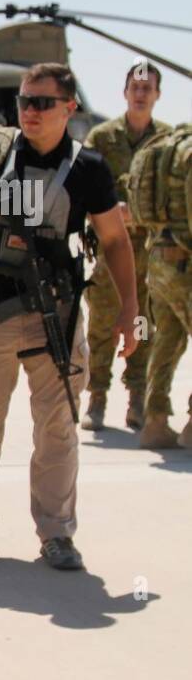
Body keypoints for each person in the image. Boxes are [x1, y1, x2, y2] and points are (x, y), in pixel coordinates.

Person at [0, 62, 139, 572]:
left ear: (70, 108)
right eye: (25, 101)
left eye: (43, 102)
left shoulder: (87, 169)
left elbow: (113, 238)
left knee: (58, 428)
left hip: (56, 316)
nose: (30, 111)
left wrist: (130, 309)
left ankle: (56, 534)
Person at [81, 62, 170, 432]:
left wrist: (145, 212)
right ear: (124, 92)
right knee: (101, 326)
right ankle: (97, 397)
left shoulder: (168, 139)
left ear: (157, 95)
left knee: (144, 326)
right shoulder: (102, 137)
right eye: (135, 86)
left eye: (147, 88)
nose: (140, 93)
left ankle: (137, 398)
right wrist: (107, 212)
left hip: (151, 254)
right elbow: (80, 183)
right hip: (107, 253)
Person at [131, 122, 192, 449]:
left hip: (159, 258)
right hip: (186, 260)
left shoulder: (165, 146)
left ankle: (155, 421)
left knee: (167, 338)